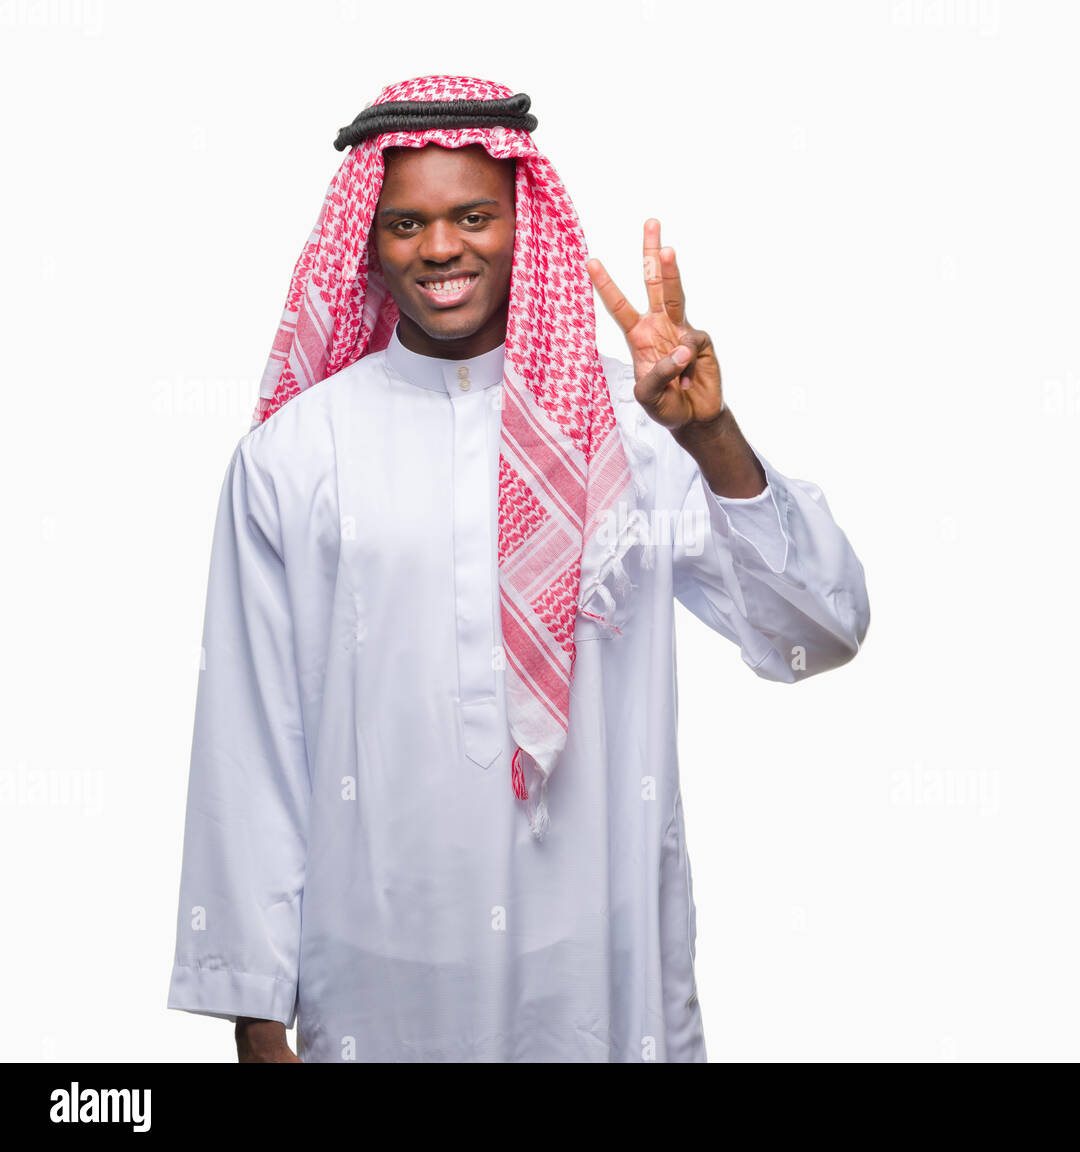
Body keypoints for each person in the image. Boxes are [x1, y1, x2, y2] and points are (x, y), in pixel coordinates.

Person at [167, 74, 870, 1063]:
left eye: (473, 216)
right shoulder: (295, 454)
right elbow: (250, 734)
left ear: (522, 225)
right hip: (373, 979)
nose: (440, 248)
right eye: (406, 223)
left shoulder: (634, 431)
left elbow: (818, 634)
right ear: (368, 239)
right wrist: (253, 1010)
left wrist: (710, 435)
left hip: (600, 975)